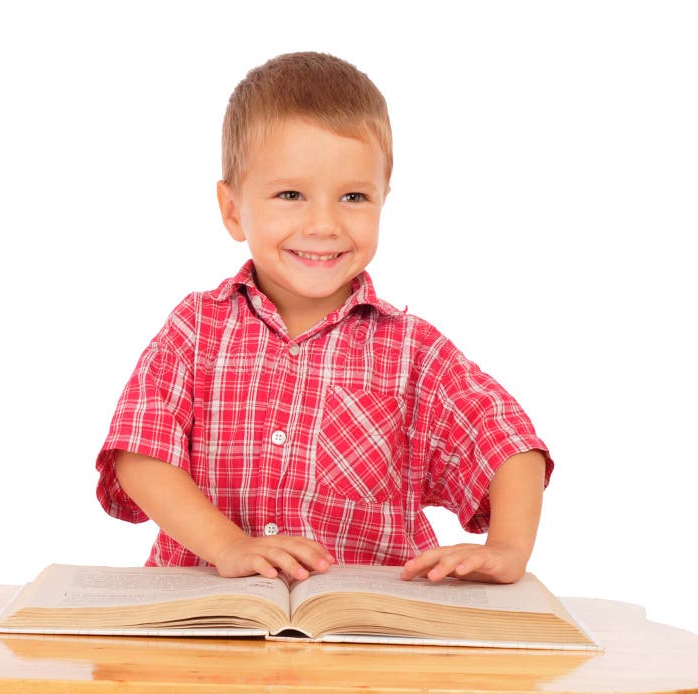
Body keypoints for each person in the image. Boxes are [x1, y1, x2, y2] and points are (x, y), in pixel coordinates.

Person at [96, 52, 553, 585]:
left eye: (354, 197)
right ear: (232, 210)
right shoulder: (197, 329)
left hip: (360, 640)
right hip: (207, 621)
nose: (324, 224)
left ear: (383, 200)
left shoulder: (411, 351)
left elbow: (506, 440)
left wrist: (508, 548)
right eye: (290, 195)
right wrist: (228, 546)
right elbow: (140, 451)